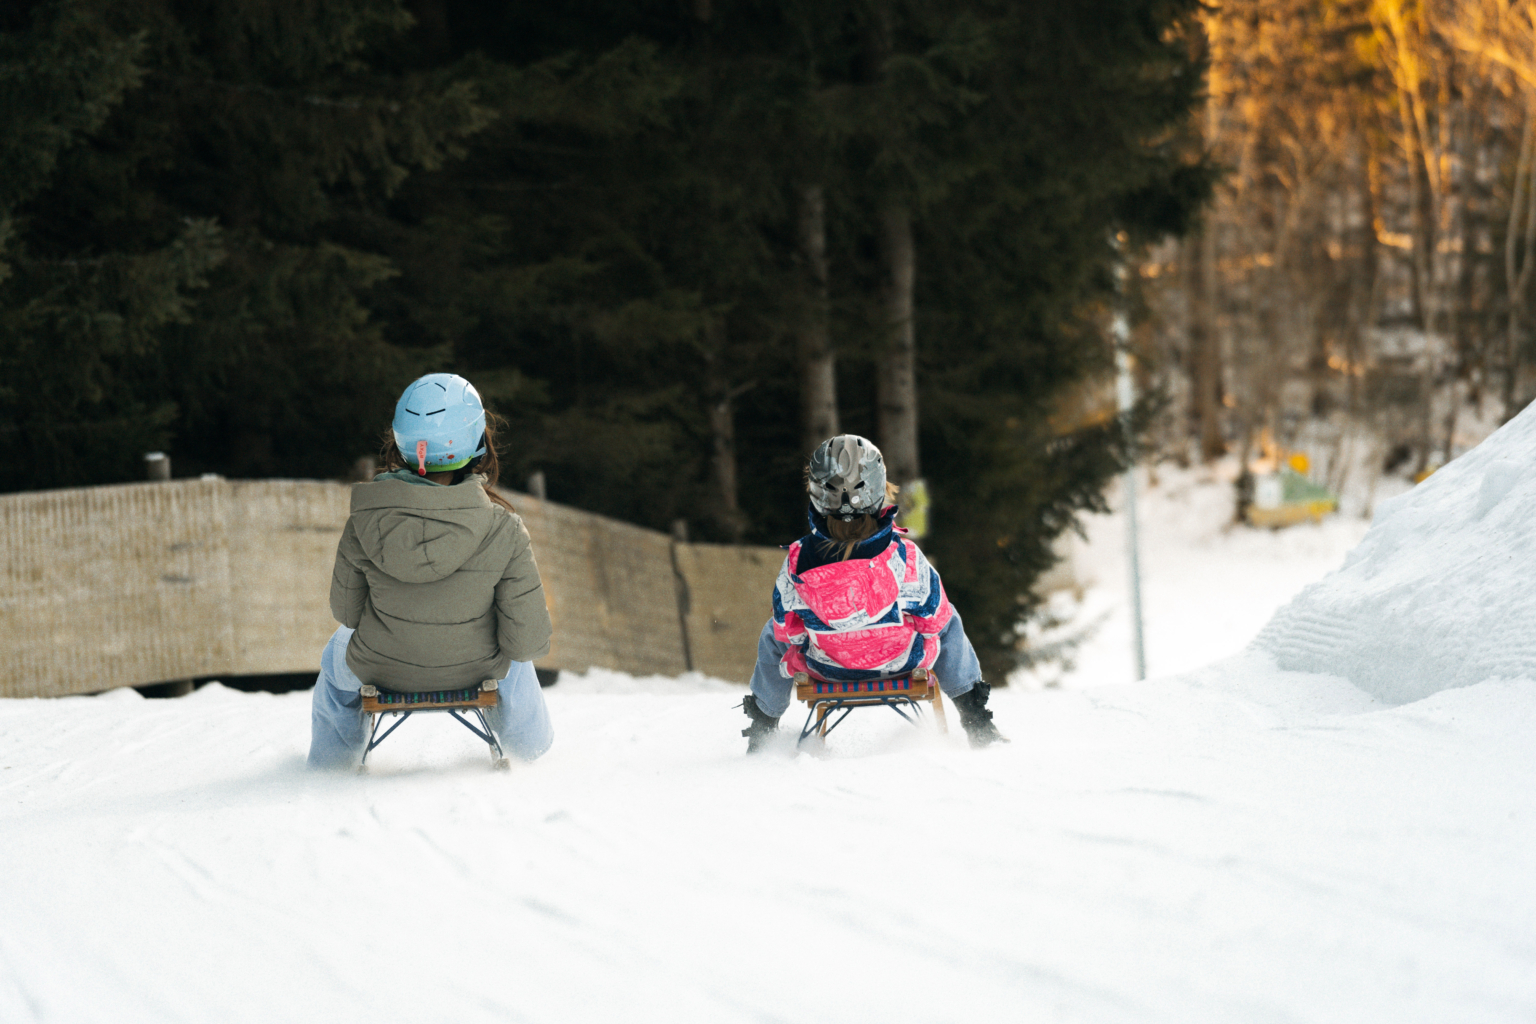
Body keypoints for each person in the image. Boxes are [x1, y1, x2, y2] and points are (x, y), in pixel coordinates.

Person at [308, 373, 554, 769]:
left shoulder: (365, 521)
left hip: (380, 664)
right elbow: (527, 643)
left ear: (402, 443)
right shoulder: (504, 528)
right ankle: (532, 758)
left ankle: (328, 771)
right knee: (516, 650)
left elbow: (347, 613)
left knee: (335, 653)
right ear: (476, 442)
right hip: (477, 665)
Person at [741, 434, 1006, 751]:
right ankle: (978, 721)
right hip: (901, 662)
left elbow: (788, 633)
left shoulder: (797, 562)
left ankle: (762, 730)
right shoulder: (904, 558)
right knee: (948, 620)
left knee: (772, 633)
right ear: (879, 487)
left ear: (816, 493)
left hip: (828, 669)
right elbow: (933, 622)